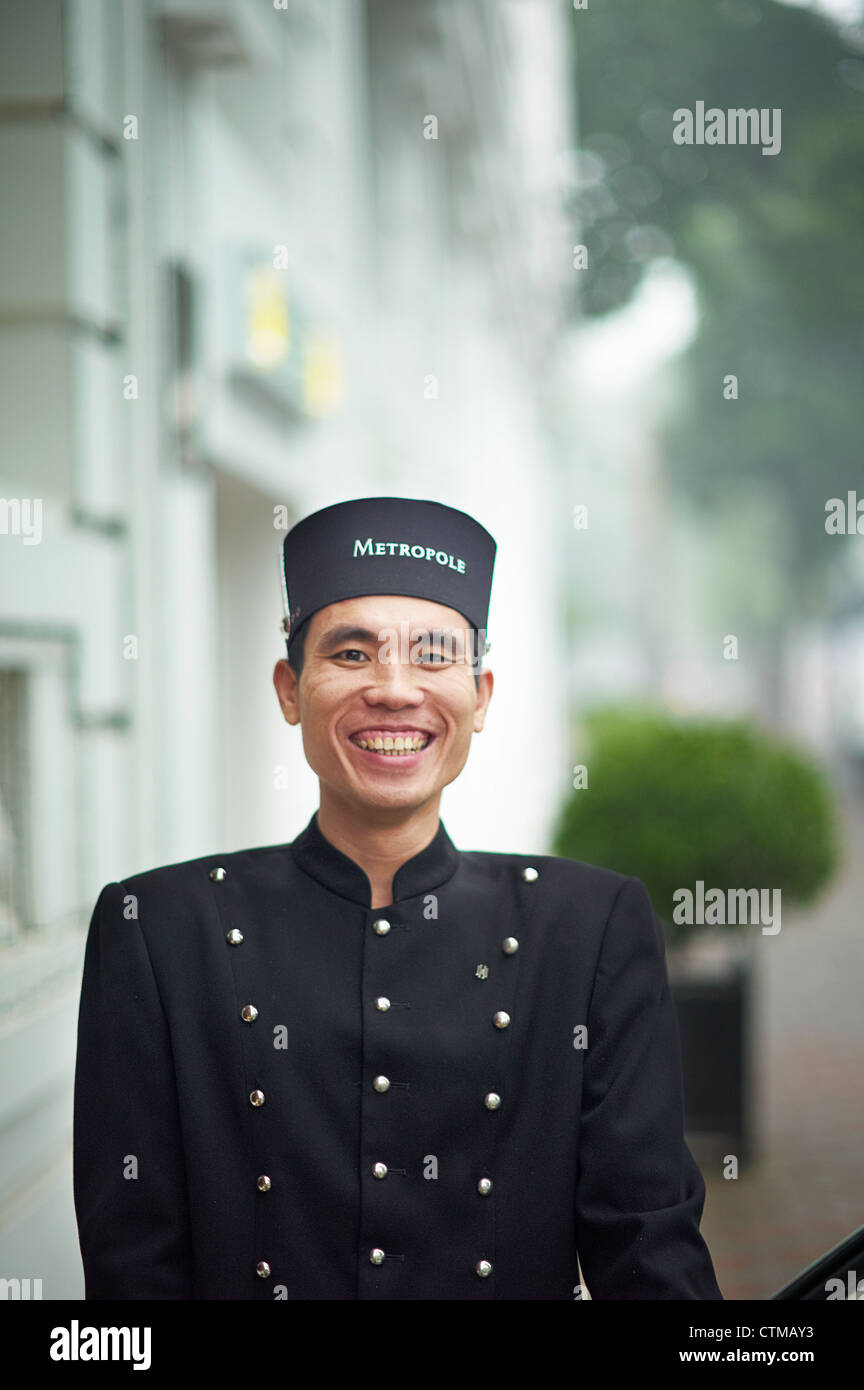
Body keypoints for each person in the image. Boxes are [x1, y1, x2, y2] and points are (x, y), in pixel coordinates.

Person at [73, 495, 722, 1300]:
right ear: (289, 688)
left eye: (434, 655)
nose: (393, 689)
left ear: (480, 695)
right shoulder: (160, 932)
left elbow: (650, 1253)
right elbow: (131, 1283)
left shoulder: (589, 929)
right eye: (350, 654)